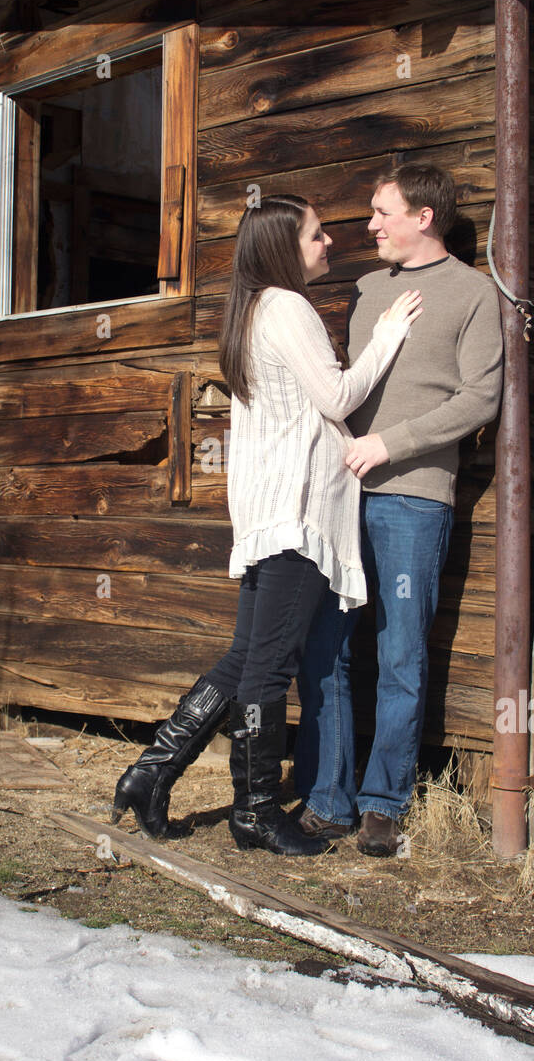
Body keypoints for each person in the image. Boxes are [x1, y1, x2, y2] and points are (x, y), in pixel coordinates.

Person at [112, 194, 422, 856]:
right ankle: (253, 811)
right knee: (268, 674)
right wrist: (388, 337)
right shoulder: (287, 308)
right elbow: (338, 397)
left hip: (269, 516)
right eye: (317, 235)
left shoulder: (252, 312)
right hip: (297, 517)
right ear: (285, 246)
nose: (329, 243)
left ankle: (151, 771)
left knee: (244, 661)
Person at [294, 165, 504, 856]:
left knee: (400, 652)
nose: (371, 226)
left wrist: (392, 443)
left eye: (383, 213)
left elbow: (479, 400)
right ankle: (327, 800)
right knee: (325, 647)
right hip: (342, 497)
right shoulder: (364, 290)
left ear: (424, 217)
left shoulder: (474, 294)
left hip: (414, 499)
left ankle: (383, 802)